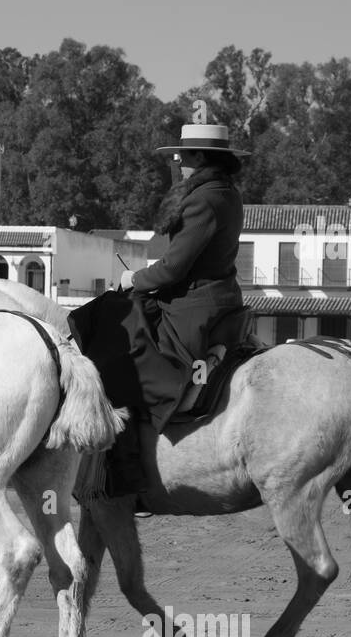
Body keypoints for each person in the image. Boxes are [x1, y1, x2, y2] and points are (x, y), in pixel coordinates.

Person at [69, 123, 248, 497]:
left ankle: (125, 475)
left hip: (193, 306)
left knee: (120, 357)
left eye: (183, 157)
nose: (178, 164)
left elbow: (173, 268)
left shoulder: (204, 199)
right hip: (215, 296)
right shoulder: (226, 193)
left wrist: (133, 278)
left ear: (202, 159)